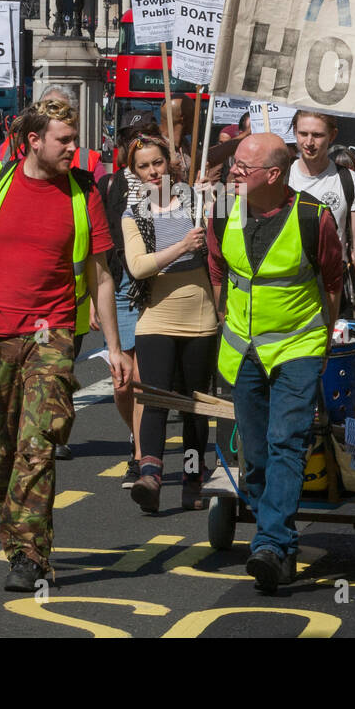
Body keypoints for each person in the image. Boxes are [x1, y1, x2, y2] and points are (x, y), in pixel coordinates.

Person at [0, 97, 132, 591]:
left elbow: (102, 275)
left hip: (53, 334)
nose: (74, 147)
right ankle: (14, 536)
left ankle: (29, 555)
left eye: (74, 138)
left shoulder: (84, 192)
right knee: (3, 448)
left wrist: (114, 348)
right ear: (34, 141)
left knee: (38, 443)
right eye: (63, 140)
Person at [206, 132, 344, 594]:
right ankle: (281, 546)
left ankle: (268, 542)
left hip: (297, 349)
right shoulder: (223, 209)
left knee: (287, 441)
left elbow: (331, 280)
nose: (235, 171)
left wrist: (324, 339)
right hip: (244, 349)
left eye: (245, 165)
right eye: (234, 164)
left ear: (274, 174)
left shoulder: (313, 218)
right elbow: (217, 265)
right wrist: (223, 309)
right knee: (257, 449)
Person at [122, 134, 219, 512]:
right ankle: (151, 476)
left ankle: (193, 478)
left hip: (200, 316)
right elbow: (139, 266)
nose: (151, 172)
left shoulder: (199, 201)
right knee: (157, 399)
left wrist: (213, 200)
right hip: (156, 317)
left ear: (170, 163)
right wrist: (182, 246)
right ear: (135, 172)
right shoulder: (134, 214)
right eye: (143, 166)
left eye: (157, 163)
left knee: (194, 405)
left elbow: (232, 228)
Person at [98, 116, 162, 488]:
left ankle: (141, 458)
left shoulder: (174, 188)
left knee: (141, 379)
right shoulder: (110, 185)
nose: (150, 168)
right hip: (120, 288)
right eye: (132, 141)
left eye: (150, 142)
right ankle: (137, 437)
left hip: (158, 290)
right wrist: (93, 301)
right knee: (122, 385)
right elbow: (101, 246)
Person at [288, 111, 355, 319]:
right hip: (288, 288)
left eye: (317, 135)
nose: (309, 142)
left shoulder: (348, 180)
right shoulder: (282, 175)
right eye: (303, 134)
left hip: (333, 289)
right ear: (294, 132)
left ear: (332, 135)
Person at [0, 84, 106, 181]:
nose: (52, 116)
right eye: (47, 109)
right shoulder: (10, 148)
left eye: (61, 112)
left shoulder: (88, 160)